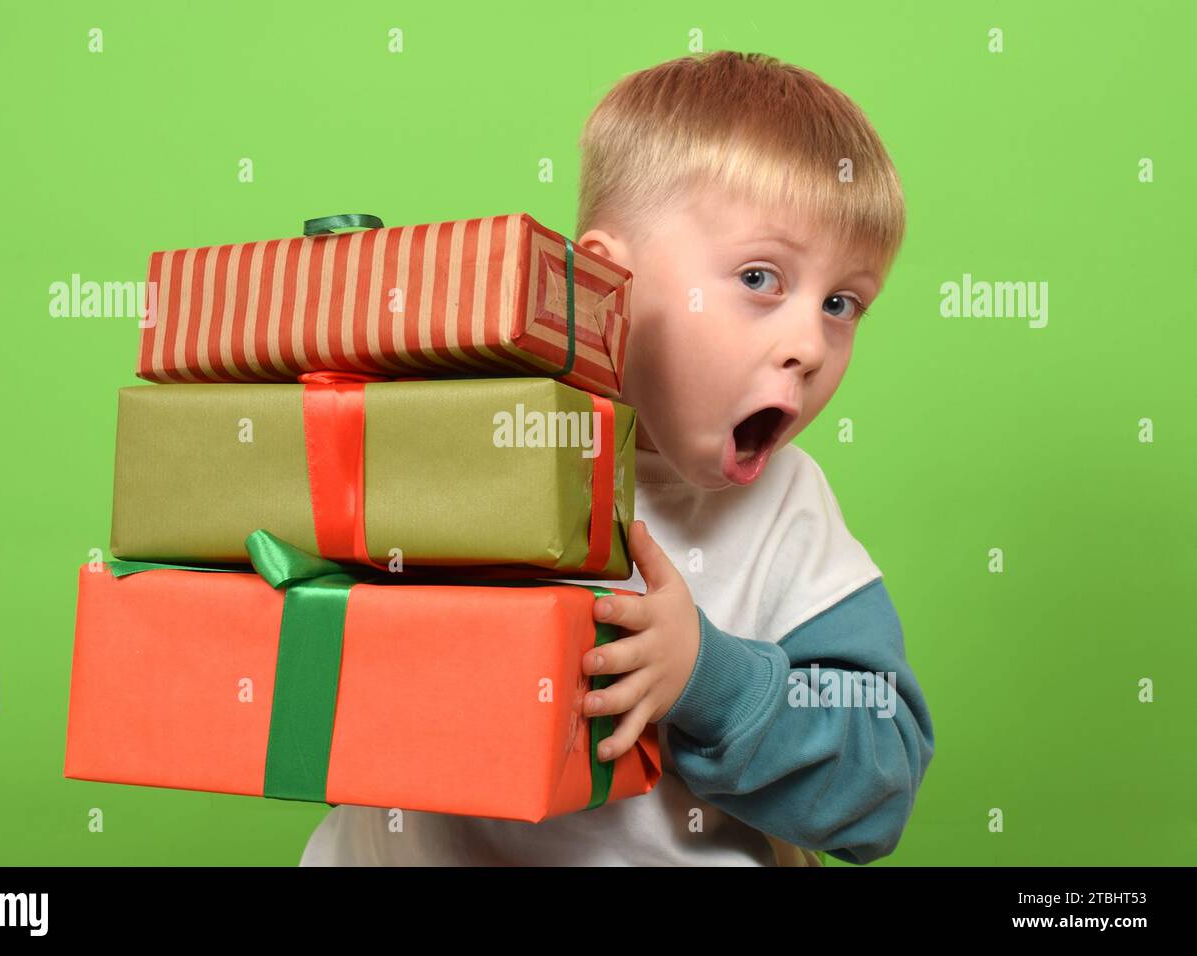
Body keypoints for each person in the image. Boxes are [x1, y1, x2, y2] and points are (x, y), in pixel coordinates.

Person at [301, 49, 934, 866]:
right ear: (610, 281)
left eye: (842, 304)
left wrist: (708, 676)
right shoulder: (458, 427)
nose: (810, 345)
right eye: (759, 278)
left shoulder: (789, 511)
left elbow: (879, 776)